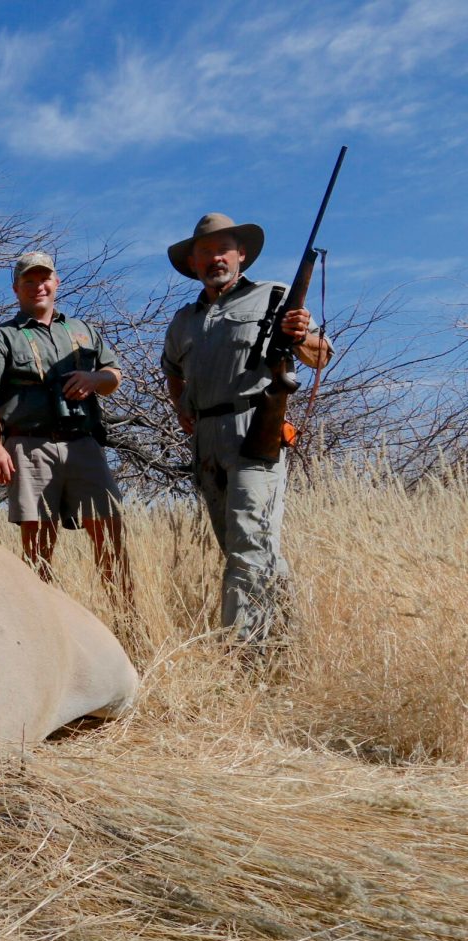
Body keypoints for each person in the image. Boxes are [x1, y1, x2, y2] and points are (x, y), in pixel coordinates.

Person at [161, 213, 331, 645]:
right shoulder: (183, 320)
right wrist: (181, 407)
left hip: (256, 427)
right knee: (243, 548)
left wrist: (299, 336)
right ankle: (286, 641)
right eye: (204, 252)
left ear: (240, 255)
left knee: (249, 545)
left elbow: (320, 356)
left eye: (223, 249)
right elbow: (172, 372)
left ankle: (243, 657)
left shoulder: (274, 296)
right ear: (194, 263)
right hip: (205, 439)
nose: (214, 258)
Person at [0, 252, 133, 606]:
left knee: (110, 534)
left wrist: (94, 378)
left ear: (56, 282)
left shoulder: (82, 330)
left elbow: (113, 375)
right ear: (16, 289)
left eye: (44, 279)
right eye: (29, 281)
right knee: (38, 545)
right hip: (29, 447)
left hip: (83, 444)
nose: (38, 286)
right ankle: (44, 628)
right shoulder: (2, 337)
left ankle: (127, 624)